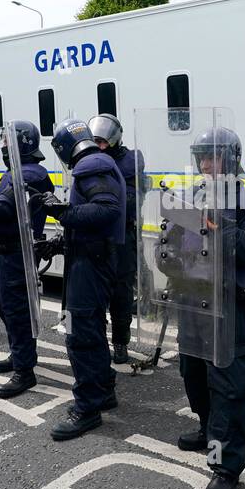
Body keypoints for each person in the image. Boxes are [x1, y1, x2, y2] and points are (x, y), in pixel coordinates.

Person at [167, 127, 245, 489]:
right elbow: (174, 245)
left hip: (228, 302)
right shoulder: (191, 194)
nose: (209, 165)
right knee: (193, 373)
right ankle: (205, 426)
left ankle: (226, 466)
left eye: (215, 157)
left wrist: (223, 226)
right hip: (191, 299)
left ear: (232, 158)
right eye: (203, 158)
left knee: (229, 384)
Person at [38, 119, 125, 440]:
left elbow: (106, 211)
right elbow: (92, 220)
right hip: (91, 259)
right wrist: (59, 243)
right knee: (91, 329)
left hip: (91, 265)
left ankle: (87, 408)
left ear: (61, 148)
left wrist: (59, 212)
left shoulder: (90, 165)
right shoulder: (98, 162)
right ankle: (103, 390)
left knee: (79, 333)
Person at [0, 120, 53, 399]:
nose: (3, 147)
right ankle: (19, 353)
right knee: (2, 303)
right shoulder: (16, 172)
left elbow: (5, 208)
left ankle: (25, 371)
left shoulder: (30, 174)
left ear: (20, 145)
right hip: (3, 251)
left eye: (7, 143)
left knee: (17, 310)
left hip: (19, 252)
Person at [88, 113, 144, 365]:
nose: (99, 147)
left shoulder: (130, 162)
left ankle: (120, 342)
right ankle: (97, 341)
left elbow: (133, 200)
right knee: (96, 292)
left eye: (102, 142)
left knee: (121, 294)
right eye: (95, 142)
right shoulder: (89, 160)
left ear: (113, 140)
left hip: (123, 237)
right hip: (97, 235)